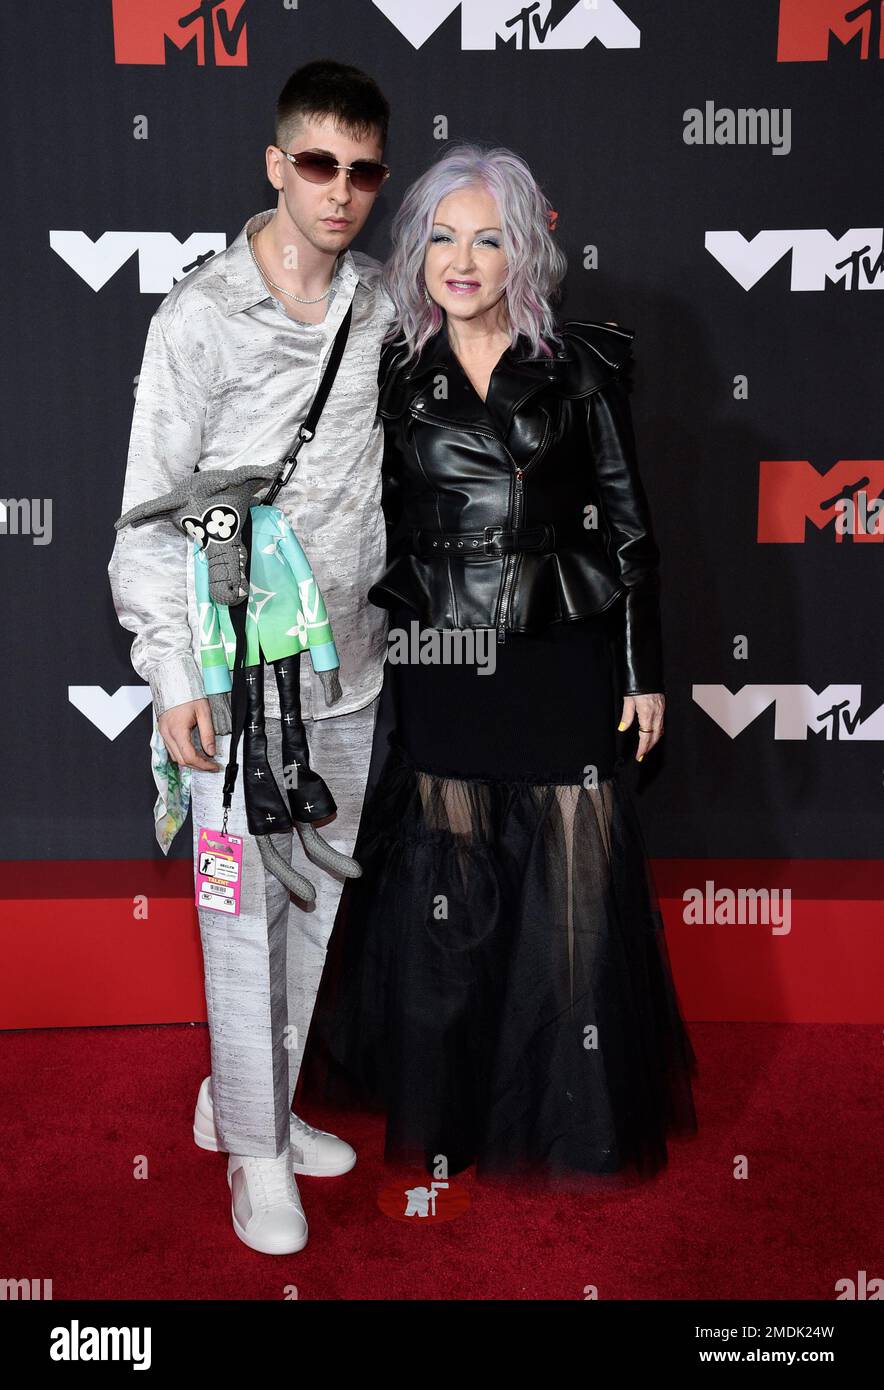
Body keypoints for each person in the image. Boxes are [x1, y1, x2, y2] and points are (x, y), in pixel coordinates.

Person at [299, 143, 698, 1186]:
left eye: (487, 237)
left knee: (570, 884)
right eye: (440, 236)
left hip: (560, 652)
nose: (461, 259)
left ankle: (571, 1118)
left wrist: (639, 668)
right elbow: (347, 514)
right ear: (415, 251)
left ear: (523, 249)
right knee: (449, 886)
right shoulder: (383, 368)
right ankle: (449, 1112)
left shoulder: (585, 362)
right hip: (441, 649)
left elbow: (625, 528)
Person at [108, 61, 398, 1253]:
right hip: (232, 675)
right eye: (318, 164)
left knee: (315, 903)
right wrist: (172, 673)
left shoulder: (383, 306)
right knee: (239, 920)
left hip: (354, 666)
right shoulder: (196, 316)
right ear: (276, 165)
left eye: (362, 170)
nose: (339, 192)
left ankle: (248, 1102)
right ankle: (254, 1157)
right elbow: (144, 517)